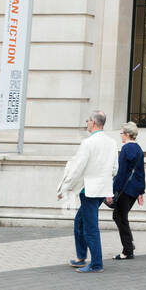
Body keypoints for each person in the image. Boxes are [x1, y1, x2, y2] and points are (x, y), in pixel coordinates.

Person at [58, 111, 119, 272]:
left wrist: (65, 187)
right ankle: (81, 257)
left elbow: (78, 168)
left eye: (88, 120)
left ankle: (96, 264)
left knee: (90, 227)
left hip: (89, 189)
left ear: (93, 122)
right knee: (80, 221)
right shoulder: (112, 142)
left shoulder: (88, 143)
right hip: (102, 188)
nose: (86, 123)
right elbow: (115, 168)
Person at [106, 121, 146, 260]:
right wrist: (141, 191)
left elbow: (121, 173)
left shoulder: (126, 149)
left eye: (122, 133)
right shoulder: (139, 149)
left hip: (125, 190)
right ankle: (129, 244)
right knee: (120, 216)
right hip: (134, 190)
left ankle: (128, 250)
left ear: (128, 134)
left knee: (120, 217)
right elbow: (141, 172)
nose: (121, 135)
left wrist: (112, 191)